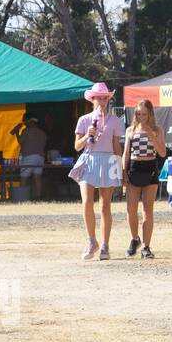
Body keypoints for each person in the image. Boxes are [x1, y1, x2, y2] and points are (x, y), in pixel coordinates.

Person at [72, 84, 124, 260]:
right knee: (87, 201)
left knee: (105, 205)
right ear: (92, 99)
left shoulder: (116, 121)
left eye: (104, 98)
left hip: (108, 160)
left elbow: (117, 145)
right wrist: (87, 135)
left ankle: (105, 245)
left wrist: (120, 167)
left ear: (108, 99)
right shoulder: (84, 120)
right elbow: (77, 146)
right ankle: (91, 240)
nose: (102, 101)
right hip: (89, 159)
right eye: (98, 98)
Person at [123, 100, 166, 259]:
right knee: (131, 208)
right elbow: (126, 153)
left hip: (150, 167)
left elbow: (162, 153)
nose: (141, 117)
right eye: (138, 113)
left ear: (150, 114)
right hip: (134, 167)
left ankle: (146, 247)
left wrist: (151, 135)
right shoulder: (130, 130)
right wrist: (123, 172)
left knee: (148, 210)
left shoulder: (157, 130)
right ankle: (135, 239)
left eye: (144, 114)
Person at [11, 115, 48, 201]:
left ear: (30, 122)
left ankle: (21, 197)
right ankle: (39, 196)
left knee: (24, 177)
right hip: (40, 157)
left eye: (26, 122)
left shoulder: (26, 131)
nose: (25, 124)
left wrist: (17, 132)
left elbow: (20, 141)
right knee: (37, 177)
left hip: (29, 157)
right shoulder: (42, 133)